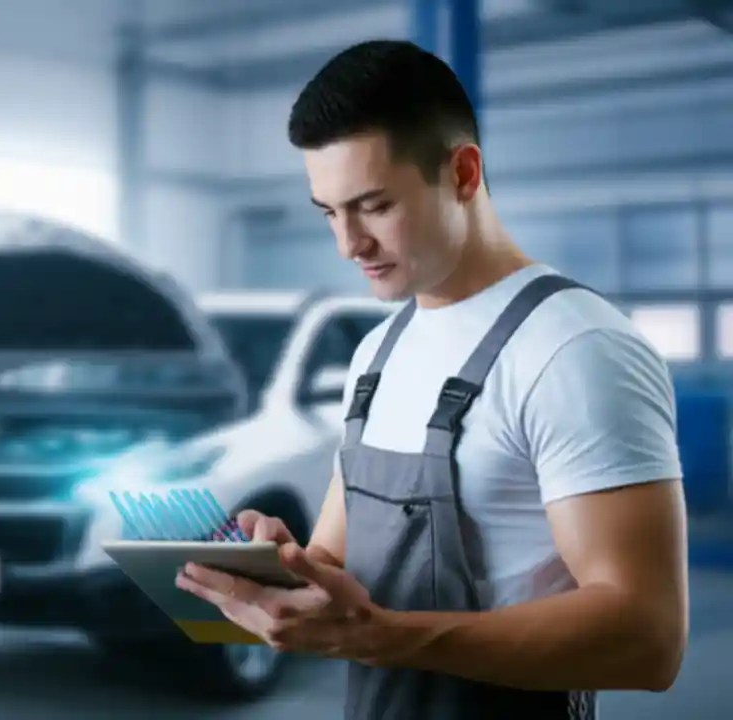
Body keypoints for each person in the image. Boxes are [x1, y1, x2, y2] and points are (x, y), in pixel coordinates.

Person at [175, 39, 688, 720]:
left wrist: (385, 637)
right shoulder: (377, 353)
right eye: (329, 212)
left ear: (464, 174)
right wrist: (284, 568)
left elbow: (647, 640)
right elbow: (338, 562)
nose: (347, 244)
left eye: (374, 205)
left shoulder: (576, 349)